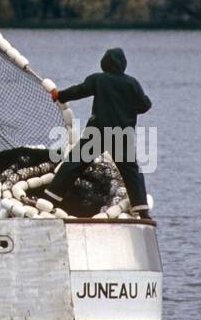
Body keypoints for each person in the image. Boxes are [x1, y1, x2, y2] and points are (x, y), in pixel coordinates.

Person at [45, 47, 152, 217]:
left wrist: (60, 95)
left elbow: (79, 91)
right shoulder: (132, 83)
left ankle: (50, 198)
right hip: (121, 133)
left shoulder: (98, 79)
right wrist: (126, 111)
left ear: (104, 63)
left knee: (74, 163)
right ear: (123, 64)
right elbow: (145, 105)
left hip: (98, 131)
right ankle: (142, 210)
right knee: (131, 171)